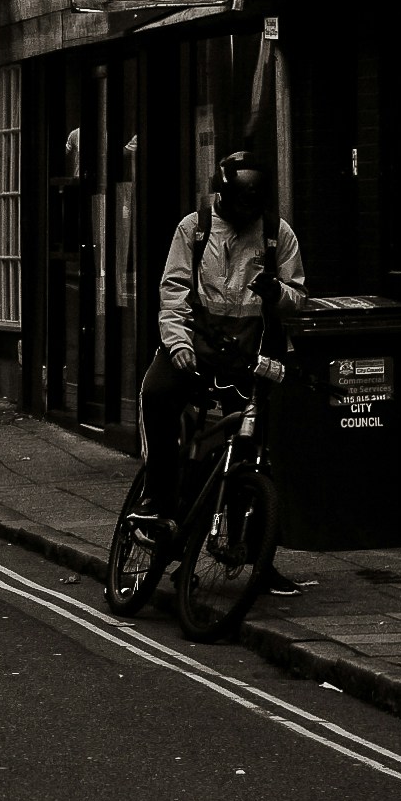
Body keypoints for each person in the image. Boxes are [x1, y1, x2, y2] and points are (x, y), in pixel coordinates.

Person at [141, 130, 304, 528]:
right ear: (221, 196)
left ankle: (241, 545)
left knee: (250, 451)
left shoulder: (276, 233)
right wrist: (177, 343)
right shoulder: (194, 228)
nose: (244, 214)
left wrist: (277, 293)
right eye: (236, 205)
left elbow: (297, 297)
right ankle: (157, 496)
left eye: (252, 207)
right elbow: (174, 289)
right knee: (156, 395)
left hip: (249, 358)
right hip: (196, 347)